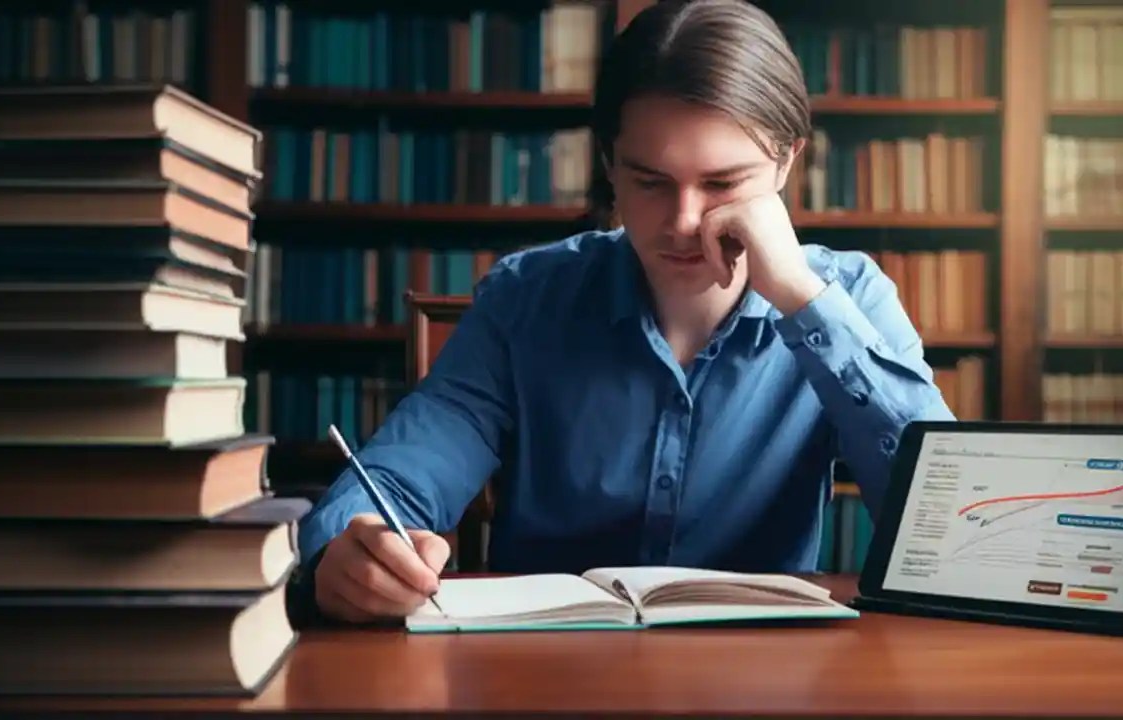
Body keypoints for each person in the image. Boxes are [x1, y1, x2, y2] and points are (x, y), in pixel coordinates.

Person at [288, 0, 955, 625]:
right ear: (608, 164)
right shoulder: (526, 298)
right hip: (546, 666)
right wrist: (343, 557)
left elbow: (947, 523)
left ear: (785, 161)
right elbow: (399, 478)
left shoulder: (848, 299)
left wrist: (802, 302)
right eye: (650, 182)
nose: (687, 222)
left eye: (724, 183)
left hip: (763, 675)